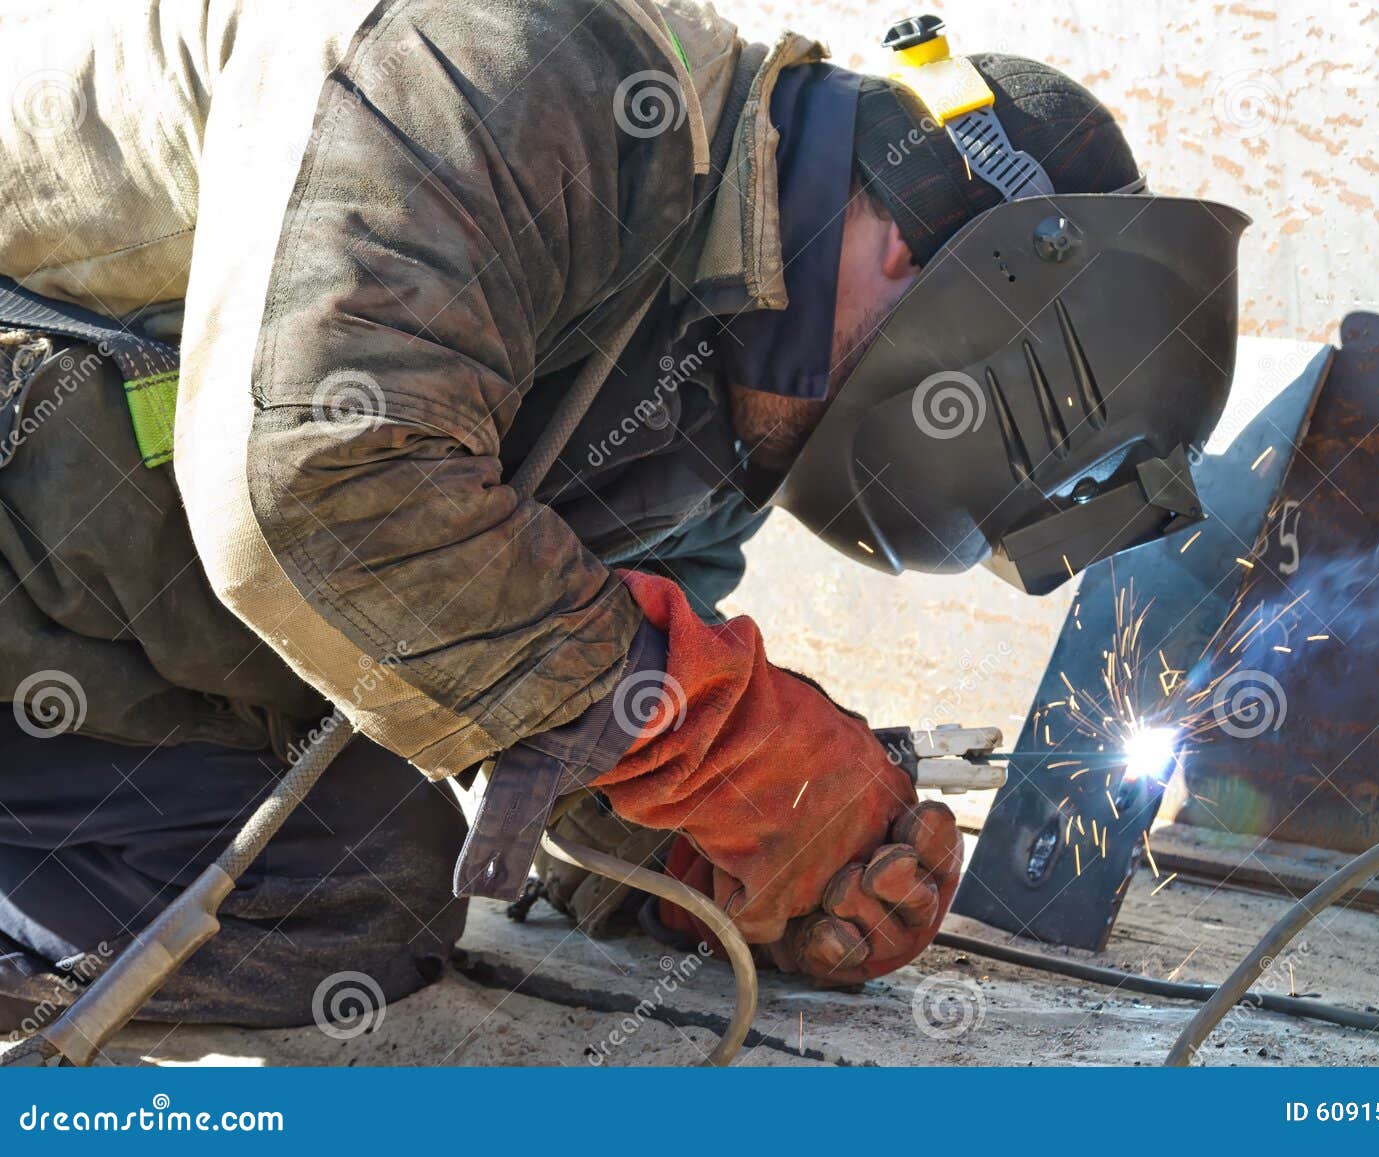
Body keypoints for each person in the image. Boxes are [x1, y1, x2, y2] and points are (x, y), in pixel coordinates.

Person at [0, 1, 1242, 1031]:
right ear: (922, 266)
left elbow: (542, 668)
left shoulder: (713, 402)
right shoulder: (508, 59)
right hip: (37, 479)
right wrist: (711, 732)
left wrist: (701, 861)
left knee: (354, 897)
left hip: (83, 631)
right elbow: (321, 482)